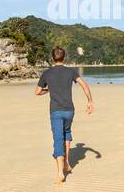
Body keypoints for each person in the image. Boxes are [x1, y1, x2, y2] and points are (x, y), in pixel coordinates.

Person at [34, 46, 94, 184]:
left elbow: (37, 91)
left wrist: (48, 90)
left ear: (52, 58)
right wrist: (90, 101)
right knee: (66, 133)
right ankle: (66, 163)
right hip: (69, 111)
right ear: (64, 57)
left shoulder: (47, 73)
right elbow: (84, 85)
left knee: (58, 139)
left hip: (56, 111)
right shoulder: (71, 71)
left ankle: (60, 173)